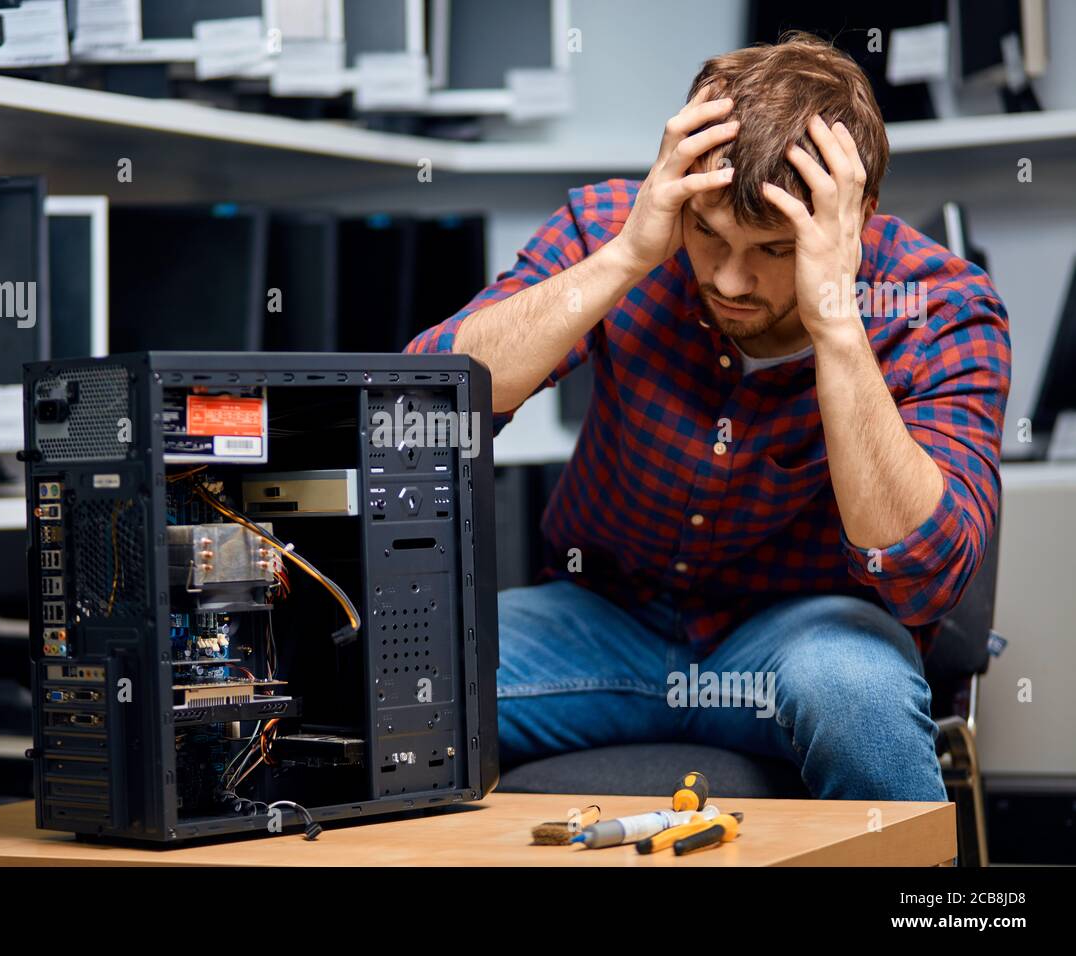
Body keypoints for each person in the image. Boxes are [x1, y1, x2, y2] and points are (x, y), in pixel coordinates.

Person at [406, 34, 1011, 800]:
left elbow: (926, 577)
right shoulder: (615, 227)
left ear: (856, 219)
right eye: (709, 234)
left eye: (773, 248)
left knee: (859, 693)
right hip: (603, 623)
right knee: (398, 672)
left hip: (801, 640)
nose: (729, 278)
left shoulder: (941, 306)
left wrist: (835, 320)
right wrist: (628, 258)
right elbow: (423, 411)